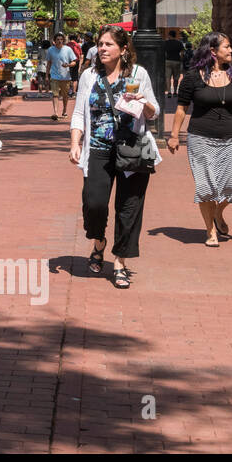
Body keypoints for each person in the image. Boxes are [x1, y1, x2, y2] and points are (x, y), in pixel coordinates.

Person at [68, 25, 160, 289]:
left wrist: (144, 102)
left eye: (108, 44)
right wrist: (76, 143)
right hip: (97, 149)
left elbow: (153, 113)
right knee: (94, 203)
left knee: (129, 208)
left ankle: (120, 261)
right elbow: (78, 113)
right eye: (100, 44)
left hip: (132, 148)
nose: (102, 49)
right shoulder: (89, 76)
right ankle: (98, 242)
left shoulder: (139, 74)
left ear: (123, 49)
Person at [167, 33, 232, 246]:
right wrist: (174, 135)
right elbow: (181, 108)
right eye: (227, 47)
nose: (231, 51)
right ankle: (210, 230)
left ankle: (218, 213)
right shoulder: (194, 77)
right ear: (213, 51)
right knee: (206, 188)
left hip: (230, 138)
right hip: (201, 138)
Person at [45, 33, 77, 121]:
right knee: (55, 95)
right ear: (54, 41)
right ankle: (55, 112)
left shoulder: (68, 49)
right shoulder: (51, 50)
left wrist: (69, 65)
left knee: (65, 95)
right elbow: (49, 64)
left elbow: (74, 62)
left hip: (65, 76)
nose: (59, 41)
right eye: (58, 39)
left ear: (63, 40)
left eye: (61, 39)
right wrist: (47, 76)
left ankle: (65, 110)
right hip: (54, 76)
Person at [163, 30, 185, 95]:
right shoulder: (179, 43)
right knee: (176, 77)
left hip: (168, 61)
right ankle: (175, 91)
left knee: (168, 77)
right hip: (177, 61)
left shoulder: (166, 43)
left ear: (169, 35)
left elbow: (163, 52)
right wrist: (181, 58)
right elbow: (182, 52)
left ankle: (169, 91)